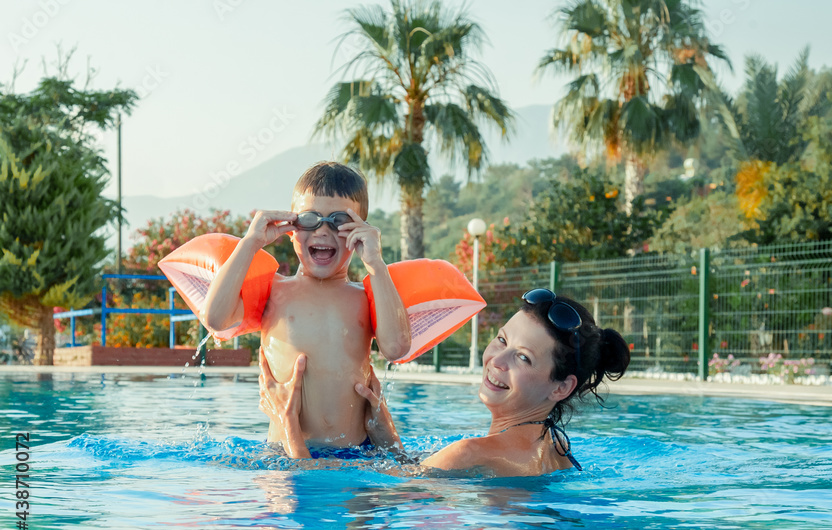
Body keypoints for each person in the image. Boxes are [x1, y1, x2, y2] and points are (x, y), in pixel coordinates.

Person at [258, 289, 631, 476]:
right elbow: (417, 473)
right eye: (501, 340)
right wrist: (384, 429)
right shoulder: (559, 457)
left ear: (561, 387)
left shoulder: (471, 452)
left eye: (523, 358)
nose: (495, 361)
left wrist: (287, 421)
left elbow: (324, 489)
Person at [204, 162, 410, 459]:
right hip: (283, 456)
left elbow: (396, 348)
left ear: (360, 231)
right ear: (290, 229)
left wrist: (376, 262)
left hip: (355, 457)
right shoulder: (274, 291)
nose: (323, 230)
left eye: (339, 221)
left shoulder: (365, 296)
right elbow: (216, 319)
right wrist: (251, 242)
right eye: (309, 219)